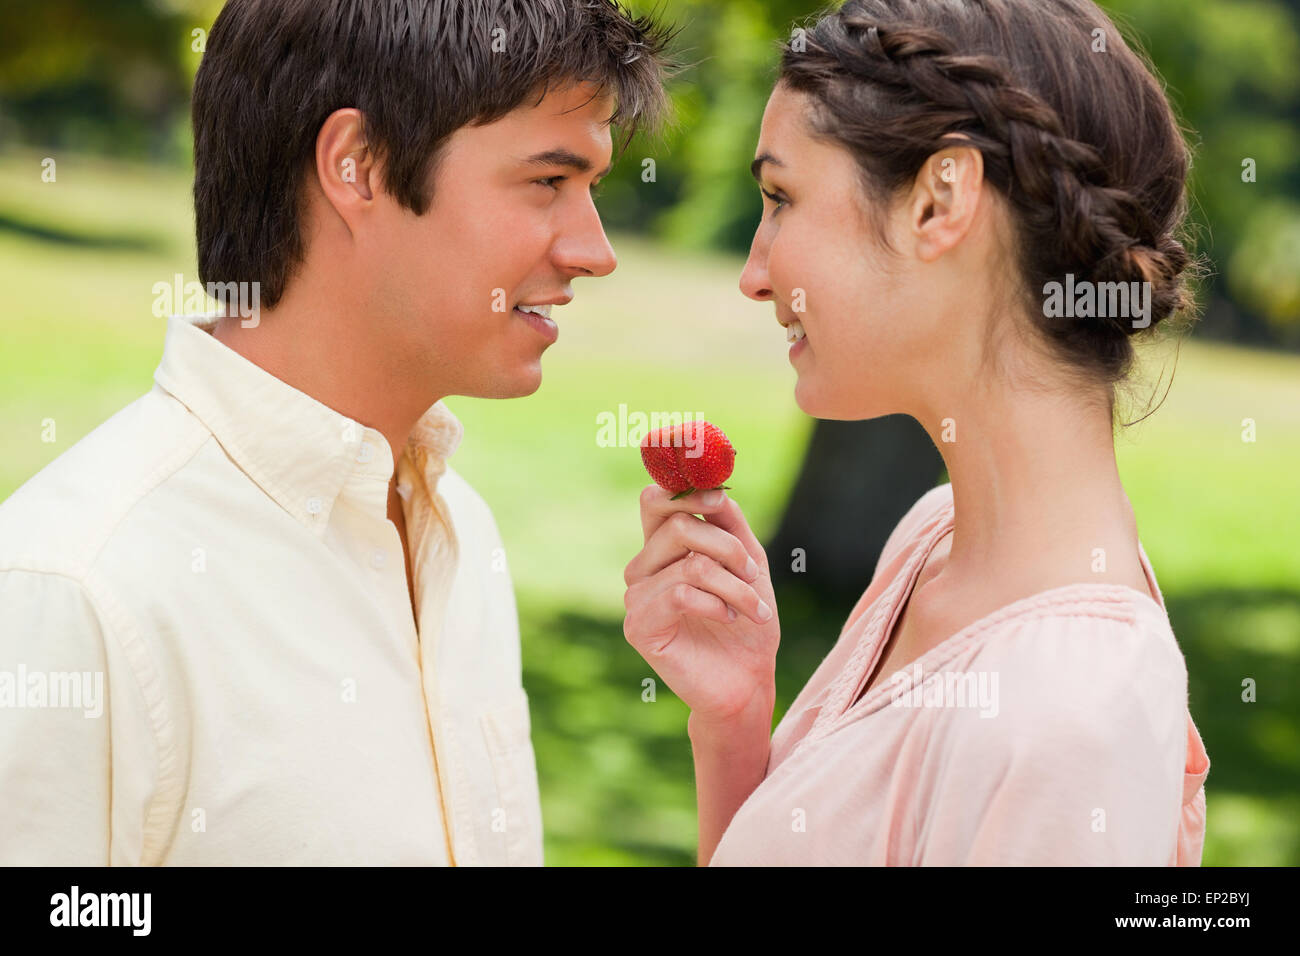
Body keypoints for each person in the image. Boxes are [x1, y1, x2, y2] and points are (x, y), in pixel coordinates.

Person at [0, 0, 672, 865]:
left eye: (593, 188)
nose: (595, 249)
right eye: (549, 181)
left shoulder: (461, 536)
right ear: (357, 167)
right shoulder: (76, 592)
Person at [623, 0, 1211, 866]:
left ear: (940, 201)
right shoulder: (936, 537)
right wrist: (735, 723)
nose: (754, 273)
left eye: (782, 196)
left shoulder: (1070, 722)